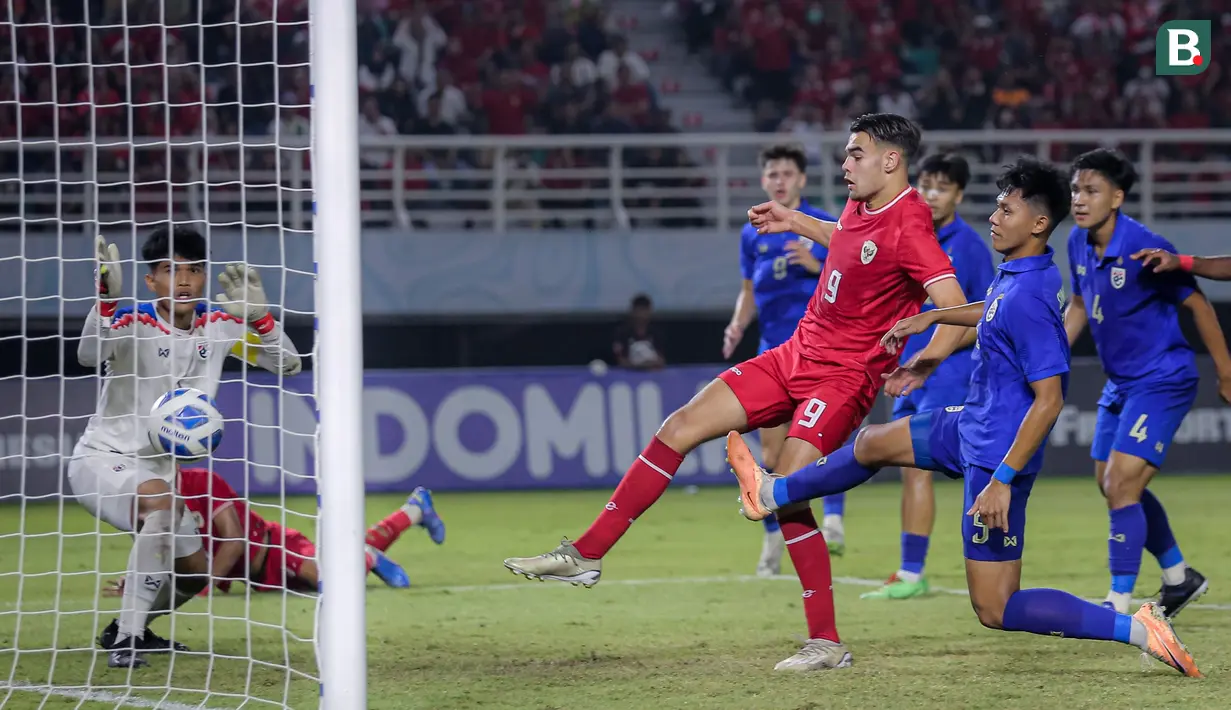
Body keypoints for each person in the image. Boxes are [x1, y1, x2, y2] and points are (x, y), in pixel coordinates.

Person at [503, 113, 970, 671]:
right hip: (794, 353)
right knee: (679, 427)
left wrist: (925, 360)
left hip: (844, 378)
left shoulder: (912, 225)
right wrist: (796, 220)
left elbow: (955, 307)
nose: (844, 163)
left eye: (855, 153)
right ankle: (586, 554)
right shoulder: (860, 202)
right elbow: (849, 241)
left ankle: (826, 643)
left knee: (785, 491)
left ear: (890, 160)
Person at [726, 156, 1201, 678]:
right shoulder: (1021, 272)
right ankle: (772, 493)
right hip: (972, 422)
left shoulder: (1031, 299)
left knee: (995, 607)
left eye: (1007, 210)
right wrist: (933, 318)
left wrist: (1001, 481)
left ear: (1039, 223)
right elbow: (992, 307)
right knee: (871, 443)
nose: (994, 217)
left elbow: (1049, 400)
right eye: (997, 206)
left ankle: (1139, 629)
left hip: (996, 454)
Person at [71, 225, 302, 668]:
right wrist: (104, 303)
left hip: (160, 475)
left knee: (195, 573)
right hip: (102, 461)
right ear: (150, 280)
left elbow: (289, 365)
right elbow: (87, 355)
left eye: (194, 270)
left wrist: (261, 319)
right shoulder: (132, 322)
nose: (183, 280)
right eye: (170, 270)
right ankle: (128, 641)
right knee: (162, 503)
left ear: (204, 277)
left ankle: (127, 628)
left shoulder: (219, 326)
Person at [1064, 148, 1229, 616]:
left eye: (1091, 190)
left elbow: (1198, 305)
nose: (1079, 199)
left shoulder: (1144, 247)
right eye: (1075, 190)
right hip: (1120, 383)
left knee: (1120, 483)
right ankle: (1179, 578)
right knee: (1112, 484)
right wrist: (1049, 356)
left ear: (1117, 197)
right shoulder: (1077, 241)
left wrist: (1226, 371)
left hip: (1162, 378)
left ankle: (1118, 601)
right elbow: (1079, 304)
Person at [862, 153, 995, 600]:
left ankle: (926, 571)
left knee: (935, 468)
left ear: (959, 194)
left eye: (943, 187)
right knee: (909, 469)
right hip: (909, 372)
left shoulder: (970, 247)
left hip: (951, 374)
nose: (932, 195)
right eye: (927, 185)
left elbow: (986, 316)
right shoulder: (906, 234)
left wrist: (933, 355)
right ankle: (911, 571)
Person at [722, 143, 839, 575]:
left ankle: (834, 521)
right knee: (771, 452)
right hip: (773, 353)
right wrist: (737, 324)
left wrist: (814, 265)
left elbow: (851, 279)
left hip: (820, 352)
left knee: (819, 442)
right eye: (773, 174)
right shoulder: (752, 232)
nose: (780, 180)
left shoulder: (822, 224)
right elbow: (748, 290)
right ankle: (773, 540)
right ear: (763, 180)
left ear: (802, 180)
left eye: (787, 173)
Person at [104, 470, 446, 598]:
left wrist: (204, 586)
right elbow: (168, 556)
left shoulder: (202, 482)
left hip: (278, 548)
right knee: (338, 562)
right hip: (261, 577)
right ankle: (414, 510)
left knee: (334, 582)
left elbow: (235, 542)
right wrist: (139, 582)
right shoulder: (157, 504)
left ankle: (367, 556)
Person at [613, 294, 665, 370]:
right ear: (633, 311)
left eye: (645, 310)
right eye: (639, 310)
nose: (642, 315)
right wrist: (640, 366)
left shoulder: (656, 333)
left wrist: (651, 364)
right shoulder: (622, 333)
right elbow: (620, 361)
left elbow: (661, 360)